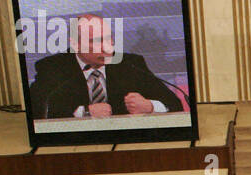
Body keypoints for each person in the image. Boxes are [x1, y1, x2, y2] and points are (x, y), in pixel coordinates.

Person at [28, 12, 181, 119]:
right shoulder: (53, 67)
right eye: (97, 41)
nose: (107, 48)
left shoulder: (130, 64)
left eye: (109, 39)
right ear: (75, 44)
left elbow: (175, 104)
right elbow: (37, 108)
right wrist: (84, 113)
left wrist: (150, 106)